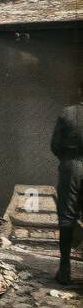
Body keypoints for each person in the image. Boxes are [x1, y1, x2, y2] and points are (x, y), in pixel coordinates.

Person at [49, 83, 83, 285]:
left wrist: (68, 160)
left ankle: (64, 270)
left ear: (80, 91)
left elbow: (55, 145)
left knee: (67, 217)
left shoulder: (67, 113)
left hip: (71, 168)